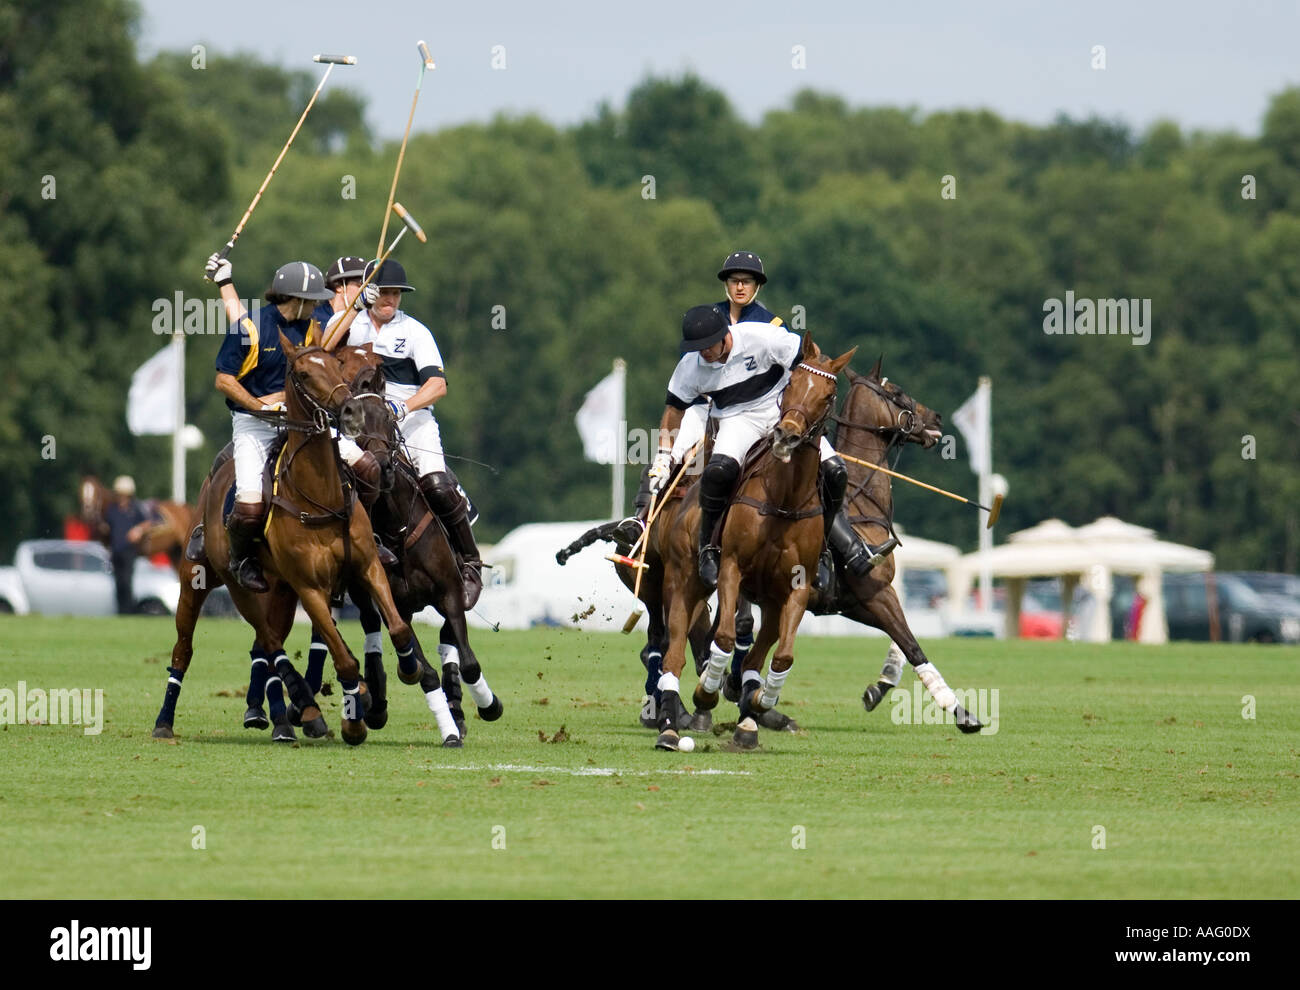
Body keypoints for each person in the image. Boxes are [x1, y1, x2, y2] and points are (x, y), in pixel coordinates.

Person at [204, 254, 381, 592]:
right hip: (254, 423)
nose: (317, 306)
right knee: (249, 505)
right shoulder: (251, 327)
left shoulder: (309, 327)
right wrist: (260, 405)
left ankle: (369, 537)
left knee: (367, 467)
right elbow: (224, 380)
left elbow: (328, 341)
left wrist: (357, 307)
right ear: (296, 300)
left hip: (302, 420)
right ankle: (243, 559)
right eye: (312, 301)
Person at [323, 259, 483, 609]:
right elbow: (324, 346)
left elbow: (437, 385)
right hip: (360, 422)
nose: (391, 299)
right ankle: (341, 568)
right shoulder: (348, 323)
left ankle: (470, 562)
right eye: (384, 292)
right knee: (337, 487)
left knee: (437, 485)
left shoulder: (415, 331)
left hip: (411, 420)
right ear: (370, 292)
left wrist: (404, 406)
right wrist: (355, 308)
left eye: (396, 293)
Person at [102, 475, 151, 614]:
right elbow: (107, 527)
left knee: (126, 582)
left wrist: (138, 530)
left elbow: (147, 523)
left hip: (129, 550)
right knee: (118, 583)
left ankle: (129, 611)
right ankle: (121, 612)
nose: (122, 497)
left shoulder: (135, 509)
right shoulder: (112, 509)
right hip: (115, 550)